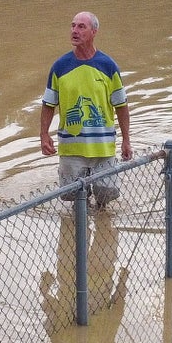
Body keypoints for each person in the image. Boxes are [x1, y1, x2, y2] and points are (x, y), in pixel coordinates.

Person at [40, 11, 132, 206]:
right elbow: (48, 105)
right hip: (72, 148)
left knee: (105, 199)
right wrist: (44, 135)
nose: (75, 31)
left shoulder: (108, 66)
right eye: (73, 26)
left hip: (103, 147)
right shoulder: (60, 67)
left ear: (94, 32)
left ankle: (102, 228)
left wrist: (126, 140)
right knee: (76, 201)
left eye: (81, 27)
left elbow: (121, 106)